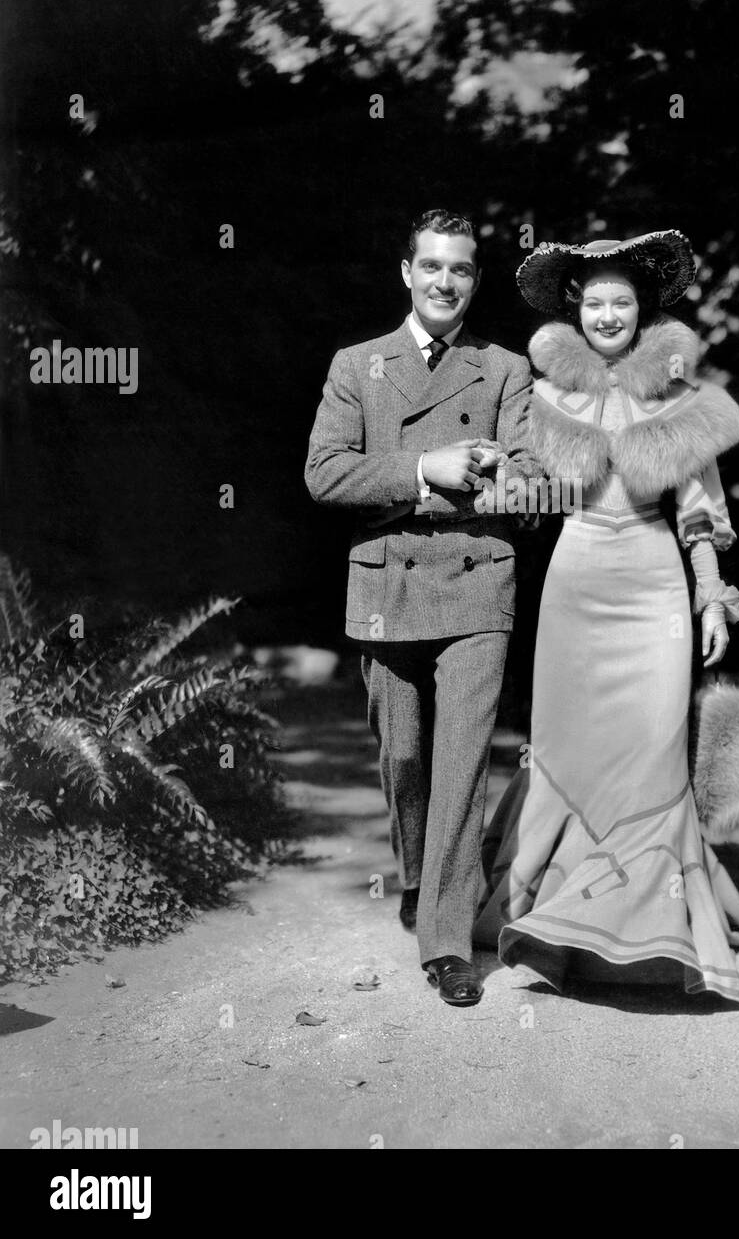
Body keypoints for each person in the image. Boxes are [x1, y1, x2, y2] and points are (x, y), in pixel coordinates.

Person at [475, 230, 739, 1003]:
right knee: (566, 749)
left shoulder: (679, 397)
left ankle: (652, 928)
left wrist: (712, 598)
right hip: (574, 586)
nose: (609, 314)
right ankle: (550, 922)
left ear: (643, 313)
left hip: (654, 591)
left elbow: (701, 515)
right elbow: (519, 492)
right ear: (577, 309)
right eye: (596, 302)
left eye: (623, 303)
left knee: (651, 751)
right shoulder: (539, 396)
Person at [305, 209, 540, 1007]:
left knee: (461, 764)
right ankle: (418, 874)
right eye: (432, 267)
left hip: (479, 584)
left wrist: (512, 476)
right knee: (403, 757)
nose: (446, 283)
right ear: (407, 271)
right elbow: (326, 474)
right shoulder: (357, 366)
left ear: (475, 280)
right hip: (386, 587)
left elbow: (532, 478)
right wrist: (425, 470)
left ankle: (446, 941)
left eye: (463, 270)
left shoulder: (506, 369)